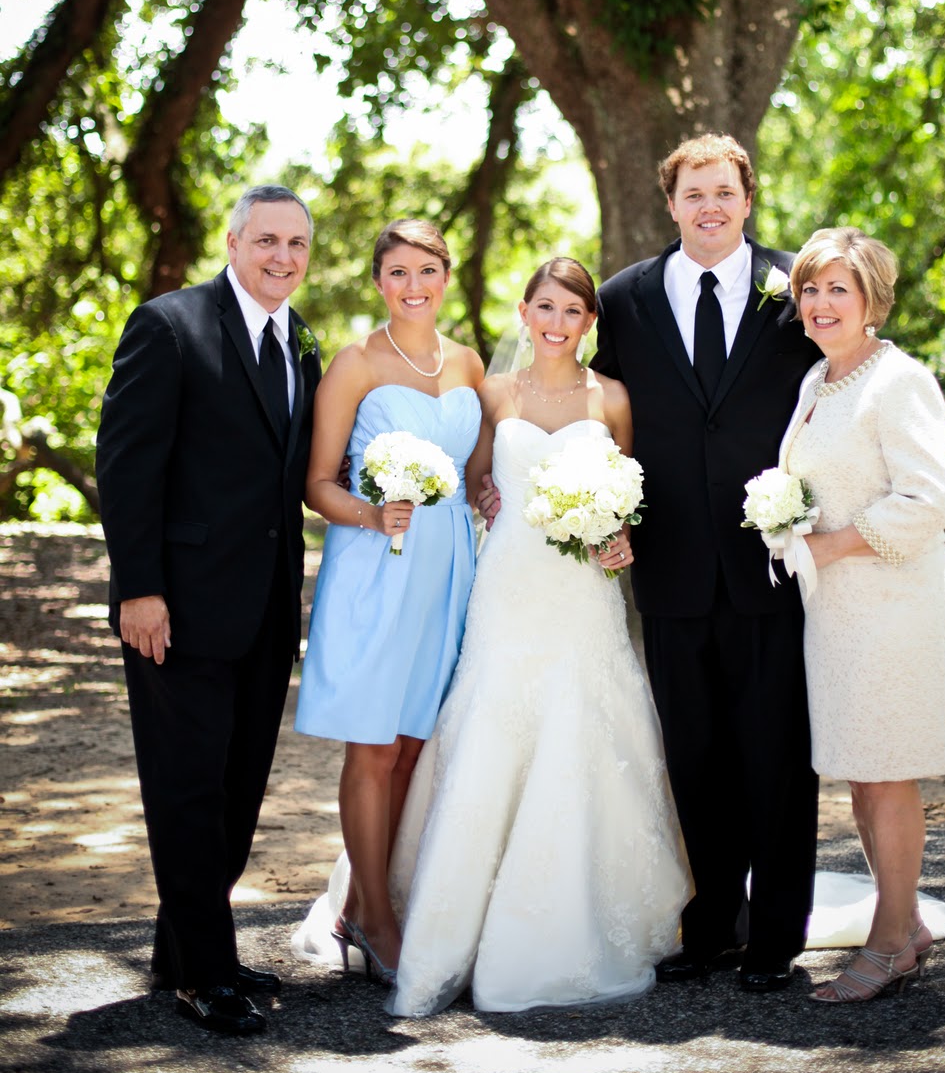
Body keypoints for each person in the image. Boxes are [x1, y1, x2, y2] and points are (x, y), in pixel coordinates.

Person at [383, 257, 689, 1015]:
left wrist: (619, 539)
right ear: (524, 313)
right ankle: (457, 922)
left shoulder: (610, 398)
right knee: (495, 723)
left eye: (572, 313)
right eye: (545, 309)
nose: (557, 324)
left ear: (589, 323)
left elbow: (632, 496)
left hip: (584, 593)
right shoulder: (493, 392)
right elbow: (479, 482)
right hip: (510, 587)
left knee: (585, 724)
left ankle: (576, 919)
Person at [591, 133, 821, 992]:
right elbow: (602, 421)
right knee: (693, 754)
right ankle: (711, 923)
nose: (710, 207)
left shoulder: (799, 286)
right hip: (672, 563)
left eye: (724, 191)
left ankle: (775, 935)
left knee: (775, 755)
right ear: (672, 203)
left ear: (747, 198)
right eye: (694, 194)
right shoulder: (622, 300)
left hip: (770, 561)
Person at [96, 184, 320, 1036]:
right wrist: (138, 589)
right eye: (267, 241)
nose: (282, 258)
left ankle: (183, 947)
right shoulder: (168, 325)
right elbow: (126, 466)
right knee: (187, 788)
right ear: (233, 242)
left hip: (263, 608)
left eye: (296, 245)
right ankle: (205, 975)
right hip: (178, 608)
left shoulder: (299, 342)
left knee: (235, 789)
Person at [780, 227, 945, 1003]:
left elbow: (928, 498)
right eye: (809, 289)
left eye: (837, 289)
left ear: (871, 300)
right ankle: (903, 923)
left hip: (894, 603)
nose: (821, 303)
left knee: (886, 773)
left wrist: (828, 546)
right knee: (862, 771)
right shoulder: (817, 381)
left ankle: (891, 940)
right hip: (837, 612)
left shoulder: (897, 381)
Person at [294, 219, 484, 985]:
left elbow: (477, 479)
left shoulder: (470, 363)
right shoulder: (354, 364)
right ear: (379, 281)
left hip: (448, 575)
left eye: (427, 270)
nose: (413, 285)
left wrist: (494, 491)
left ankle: (369, 902)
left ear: (445, 275)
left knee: (410, 745)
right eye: (397, 272)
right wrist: (374, 513)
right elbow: (316, 484)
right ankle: (374, 919)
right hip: (377, 566)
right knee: (372, 746)